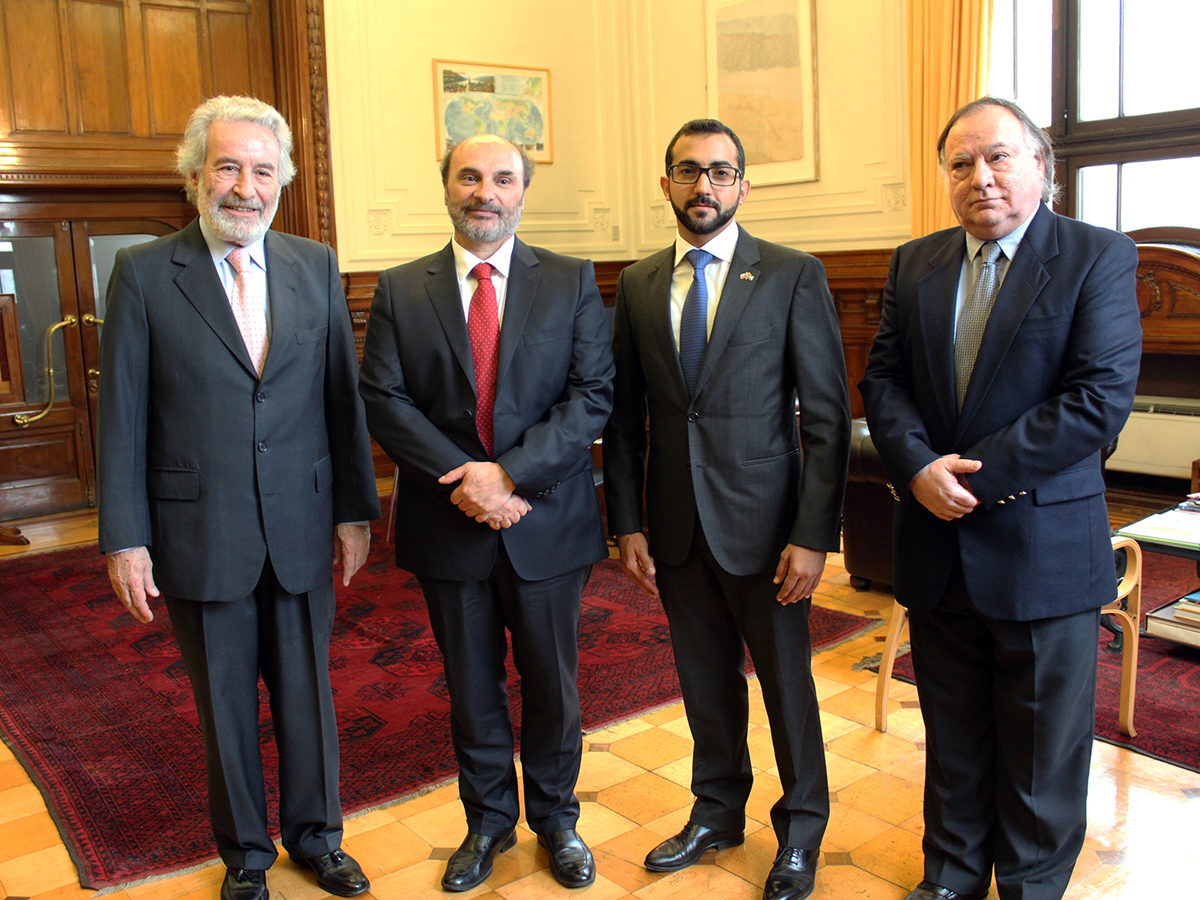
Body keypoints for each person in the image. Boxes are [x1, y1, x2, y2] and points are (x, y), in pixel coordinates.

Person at [97, 96, 380, 900]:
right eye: (228, 167)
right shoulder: (145, 274)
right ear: (195, 178)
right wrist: (125, 538)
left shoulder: (315, 264)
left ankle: (318, 839)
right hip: (199, 531)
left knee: (308, 696)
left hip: (301, 522)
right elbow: (120, 414)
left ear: (282, 183)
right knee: (225, 707)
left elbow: (340, 400)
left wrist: (354, 508)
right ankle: (246, 857)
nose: (245, 187)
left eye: (262, 171)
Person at [859, 97, 1142, 900]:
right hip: (938, 546)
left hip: (1043, 550)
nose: (979, 176)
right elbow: (884, 380)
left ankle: (1028, 888)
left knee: (1041, 749)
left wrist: (964, 478)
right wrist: (915, 468)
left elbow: (1096, 401)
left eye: (999, 157)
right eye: (960, 163)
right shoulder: (915, 262)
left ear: (1040, 167)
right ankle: (949, 877)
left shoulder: (1098, 256)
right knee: (953, 737)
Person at [602, 118, 850, 900]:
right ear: (665, 182)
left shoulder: (791, 274)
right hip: (675, 527)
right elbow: (624, 414)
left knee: (785, 685)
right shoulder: (640, 282)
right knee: (704, 681)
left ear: (743, 185)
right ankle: (716, 812)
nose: (702, 186)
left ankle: (802, 827)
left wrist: (814, 536)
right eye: (687, 172)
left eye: (719, 172)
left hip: (769, 530)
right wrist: (627, 522)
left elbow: (829, 419)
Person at [358, 134, 613, 893]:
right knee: (470, 688)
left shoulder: (569, 281)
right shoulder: (402, 288)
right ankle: (488, 823)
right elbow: (385, 400)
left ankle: (558, 820)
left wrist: (509, 476)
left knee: (552, 684)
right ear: (446, 186)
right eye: (469, 176)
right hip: (448, 524)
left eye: (502, 178)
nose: (485, 192)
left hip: (546, 522)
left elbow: (590, 395)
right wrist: (466, 480)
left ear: (523, 191)